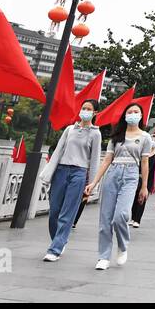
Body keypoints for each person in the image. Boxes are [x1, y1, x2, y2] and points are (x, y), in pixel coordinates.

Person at [86, 103, 152, 270]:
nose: (133, 114)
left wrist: (144, 186)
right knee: (105, 218)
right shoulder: (116, 136)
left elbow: (145, 162)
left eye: (136, 111)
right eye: (129, 111)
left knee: (121, 215)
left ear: (141, 115)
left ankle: (122, 245)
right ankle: (103, 256)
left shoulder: (145, 137)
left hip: (131, 176)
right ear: (124, 115)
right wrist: (94, 182)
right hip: (113, 173)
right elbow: (107, 160)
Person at [41, 100, 102, 262]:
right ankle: (59, 240)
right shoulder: (69, 129)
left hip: (79, 174)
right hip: (61, 171)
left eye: (89, 109)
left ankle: (55, 249)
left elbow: (95, 160)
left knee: (67, 214)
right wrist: (49, 173)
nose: (85, 111)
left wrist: (92, 184)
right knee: (54, 211)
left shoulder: (96, 134)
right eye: (83, 108)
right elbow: (58, 151)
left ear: (95, 113)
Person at [130, 120, 155, 228]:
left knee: (142, 198)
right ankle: (133, 217)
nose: (153, 140)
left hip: (148, 179)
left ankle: (137, 220)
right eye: (152, 138)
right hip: (137, 178)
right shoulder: (142, 153)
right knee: (134, 198)